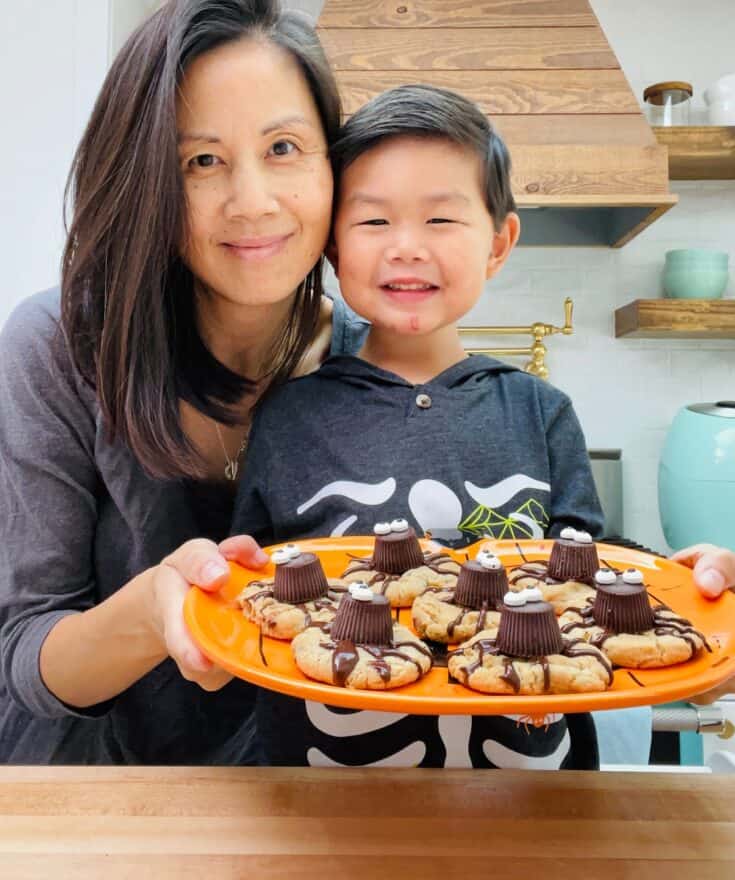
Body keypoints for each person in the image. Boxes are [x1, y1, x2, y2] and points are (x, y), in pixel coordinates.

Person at [232, 84, 735, 769]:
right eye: (373, 221)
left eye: (440, 219)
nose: (406, 247)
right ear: (331, 248)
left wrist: (683, 579)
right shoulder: (288, 418)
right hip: (324, 789)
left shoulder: (539, 410)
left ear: (498, 243)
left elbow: (587, 564)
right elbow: (253, 596)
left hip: (537, 784)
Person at [0, 0, 368, 764]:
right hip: (91, 796)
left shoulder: (379, 366)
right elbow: (26, 652)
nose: (252, 202)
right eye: (201, 161)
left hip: (307, 798)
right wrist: (152, 613)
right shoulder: (58, 348)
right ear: (142, 183)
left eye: (283, 147)